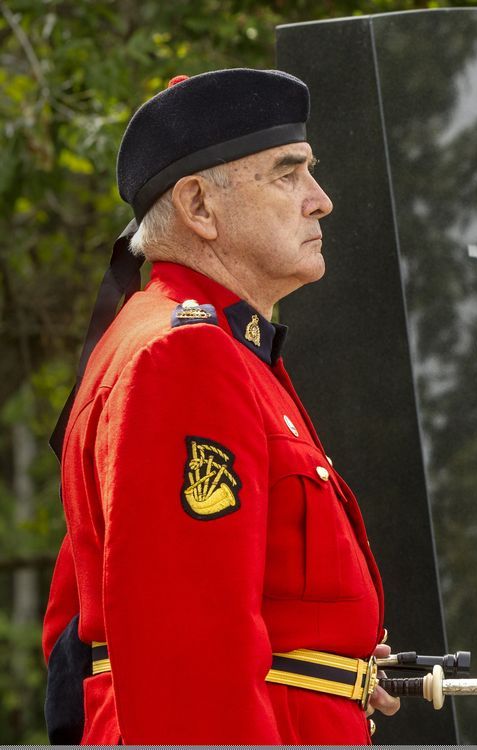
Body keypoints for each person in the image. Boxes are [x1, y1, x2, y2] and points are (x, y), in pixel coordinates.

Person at [40, 68, 399, 744]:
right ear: (199, 207)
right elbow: (186, 653)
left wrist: (328, 666)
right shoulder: (182, 357)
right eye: (287, 175)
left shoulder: (218, 347)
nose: (319, 200)